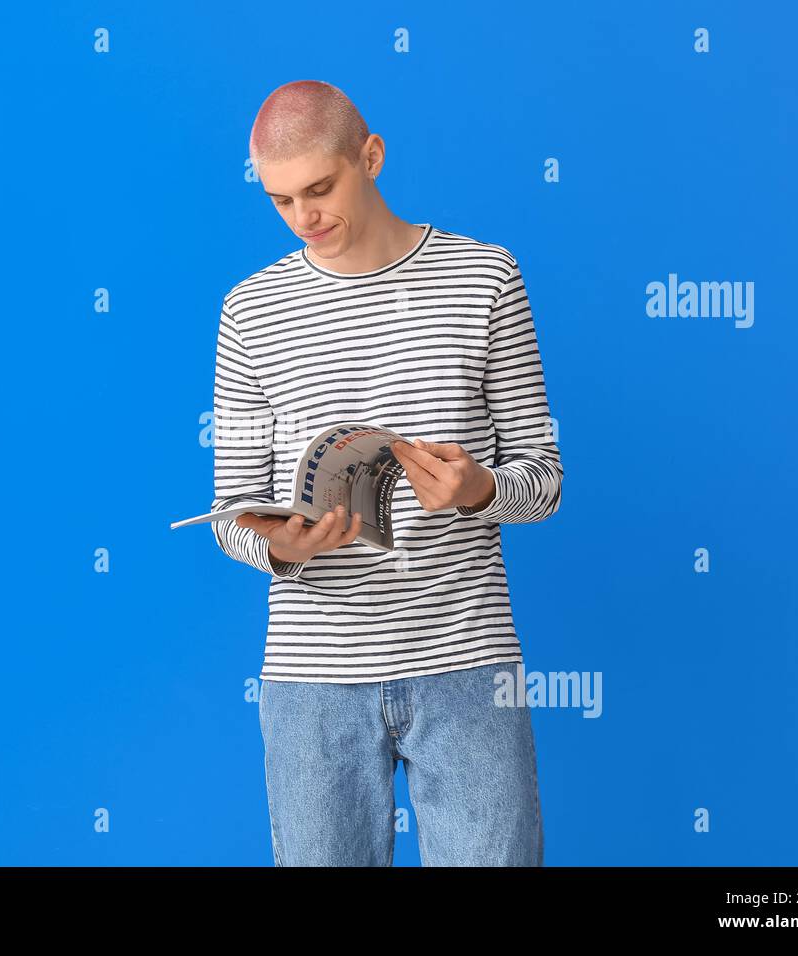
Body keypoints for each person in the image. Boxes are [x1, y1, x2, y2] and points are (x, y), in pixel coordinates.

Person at [209, 80, 563, 866]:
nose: (305, 216)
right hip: (312, 680)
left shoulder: (486, 278)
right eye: (281, 200)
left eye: (321, 188)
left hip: (466, 663)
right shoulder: (249, 310)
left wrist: (482, 491)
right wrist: (282, 547)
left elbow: (545, 477)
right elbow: (231, 513)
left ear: (370, 157)